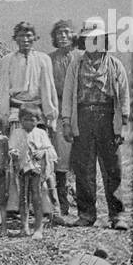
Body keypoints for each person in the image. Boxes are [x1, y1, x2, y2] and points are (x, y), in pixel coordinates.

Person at [60, 16, 131, 230]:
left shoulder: (114, 65)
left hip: (108, 118)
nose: (93, 43)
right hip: (83, 118)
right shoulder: (76, 64)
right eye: (88, 39)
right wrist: (66, 121)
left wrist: (123, 124)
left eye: (97, 39)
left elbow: (125, 96)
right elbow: (68, 93)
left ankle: (117, 215)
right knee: (84, 168)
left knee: (112, 169)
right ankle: (86, 214)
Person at [0, 21, 59, 132]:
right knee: (17, 146)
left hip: (38, 113)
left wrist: (51, 116)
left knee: (38, 145)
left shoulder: (43, 59)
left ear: (34, 38)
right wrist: (3, 116)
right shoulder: (7, 60)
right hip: (16, 113)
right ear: (15, 38)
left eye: (28, 35)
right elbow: (3, 90)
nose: (25, 39)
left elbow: (49, 88)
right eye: (21, 36)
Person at [9, 106, 57, 238]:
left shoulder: (41, 133)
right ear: (20, 120)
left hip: (36, 169)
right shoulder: (16, 133)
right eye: (25, 120)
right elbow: (11, 148)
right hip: (22, 168)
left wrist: (42, 152)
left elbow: (50, 150)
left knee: (37, 196)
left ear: (38, 120)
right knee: (23, 197)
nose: (28, 123)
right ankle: (24, 226)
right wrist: (13, 154)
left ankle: (38, 227)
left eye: (32, 120)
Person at [47, 19, 79, 220]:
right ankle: (61, 205)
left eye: (67, 32)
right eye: (59, 33)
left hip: (79, 111)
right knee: (60, 159)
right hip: (58, 111)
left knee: (80, 157)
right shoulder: (49, 59)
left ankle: (82, 202)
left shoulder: (80, 57)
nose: (63, 36)